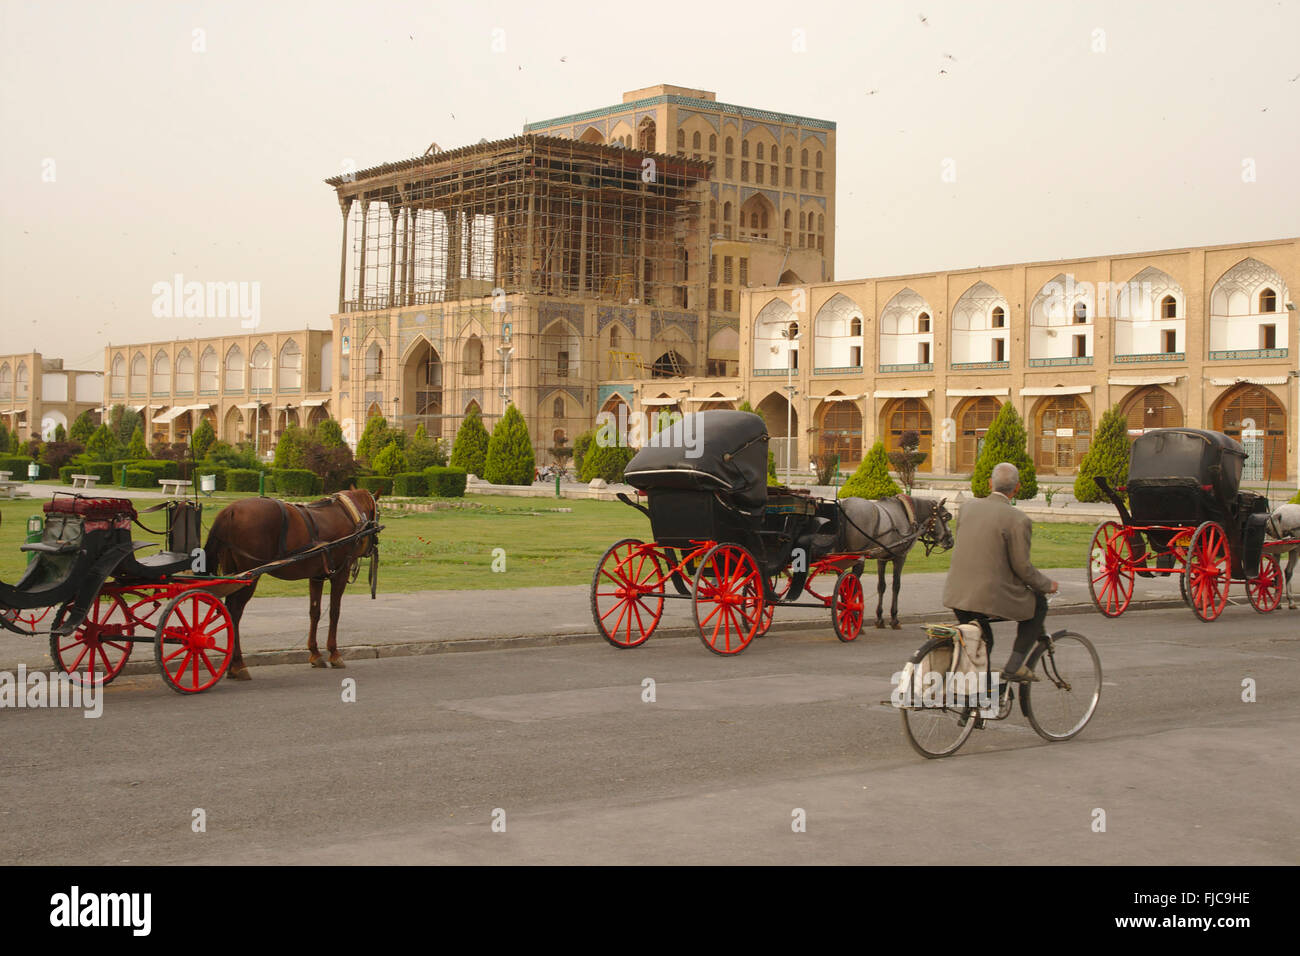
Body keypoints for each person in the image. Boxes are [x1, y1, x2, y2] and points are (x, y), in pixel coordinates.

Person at [942, 461, 1059, 682]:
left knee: (983, 641)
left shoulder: (967, 507)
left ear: (989, 484)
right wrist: (1046, 584)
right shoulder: (1018, 519)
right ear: (1017, 488)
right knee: (1038, 605)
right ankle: (1014, 667)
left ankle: (975, 701)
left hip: (955, 591)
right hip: (988, 595)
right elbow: (1022, 567)